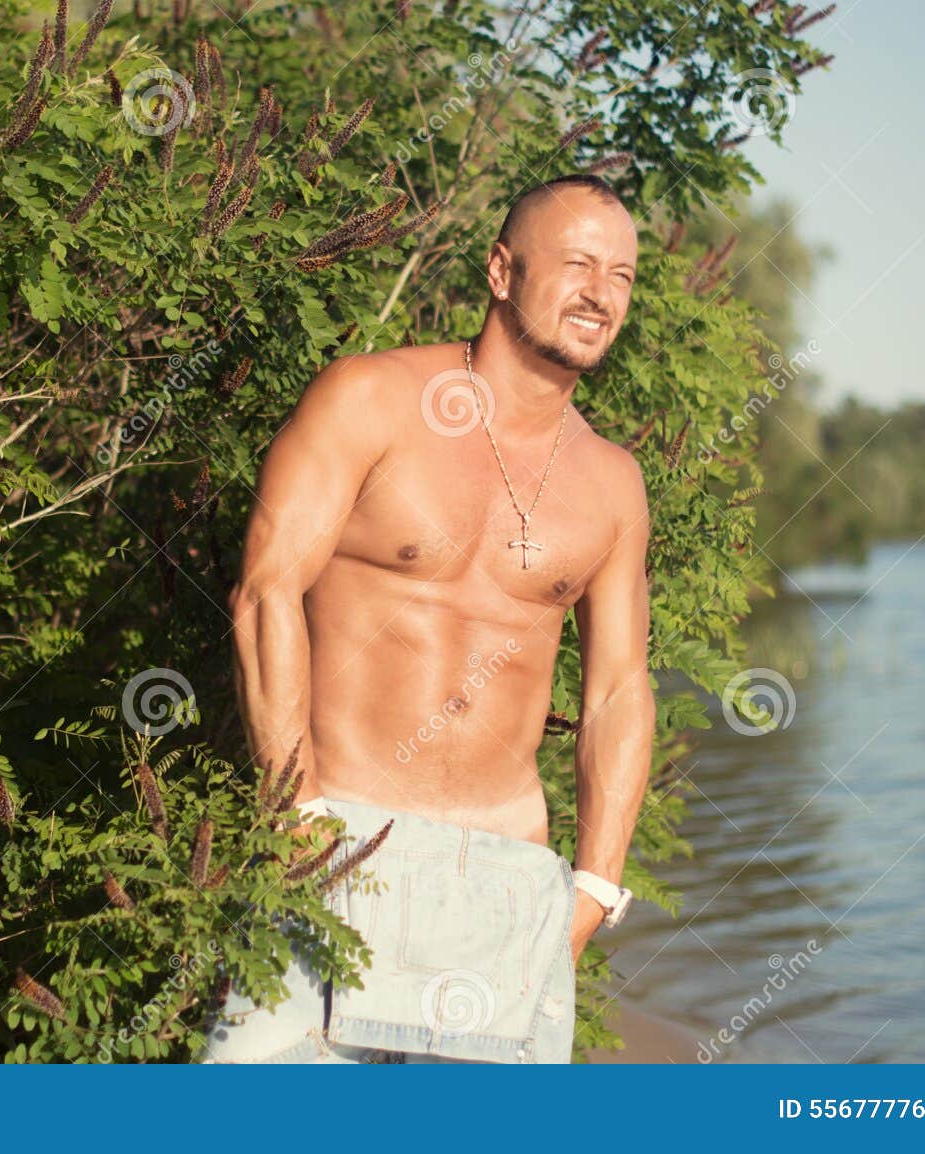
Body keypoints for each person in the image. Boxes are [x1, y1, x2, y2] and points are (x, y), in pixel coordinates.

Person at [205, 174, 655, 1064]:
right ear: (501, 270)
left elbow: (617, 691)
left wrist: (596, 889)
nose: (600, 294)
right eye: (577, 265)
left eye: (622, 276)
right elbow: (265, 592)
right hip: (337, 842)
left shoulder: (613, 482)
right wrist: (295, 815)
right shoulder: (370, 398)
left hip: (505, 883)